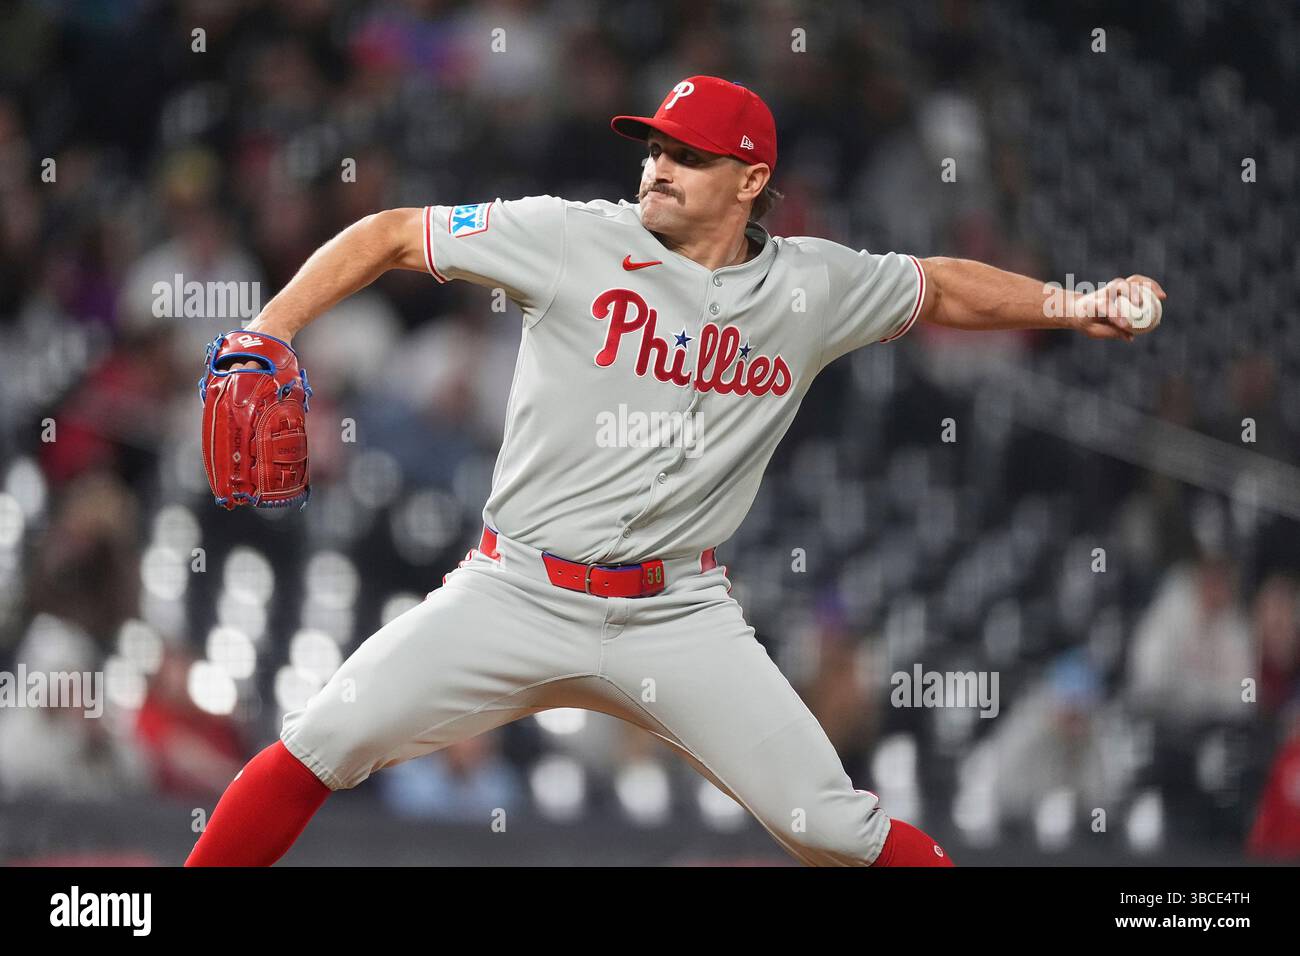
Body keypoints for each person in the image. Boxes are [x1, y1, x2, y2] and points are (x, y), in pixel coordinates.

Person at [185, 75, 1164, 867]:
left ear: (749, 180)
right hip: (515, 587)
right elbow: (392, 231)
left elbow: (941, 284)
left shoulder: (812, 286)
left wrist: (1072, 303)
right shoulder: (572, 238)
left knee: (832, 827)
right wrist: (270, 324)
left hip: (676, 612)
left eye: (685, 155)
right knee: (322, 740)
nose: (655, 166)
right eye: (652, 147)